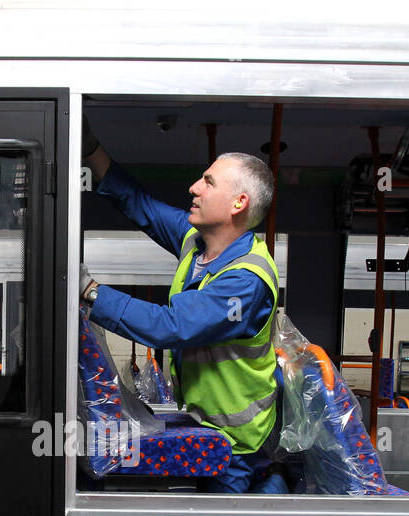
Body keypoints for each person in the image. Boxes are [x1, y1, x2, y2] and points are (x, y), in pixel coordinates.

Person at [80, 120, 284, 493]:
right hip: (203, 424)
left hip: (235, 443)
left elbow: (171, 326)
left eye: (208, 182)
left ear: (239, 203)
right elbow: (141, 205)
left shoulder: (247, 281)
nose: (193, 188)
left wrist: (90, 292)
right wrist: (93, 150)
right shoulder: (197, 243)